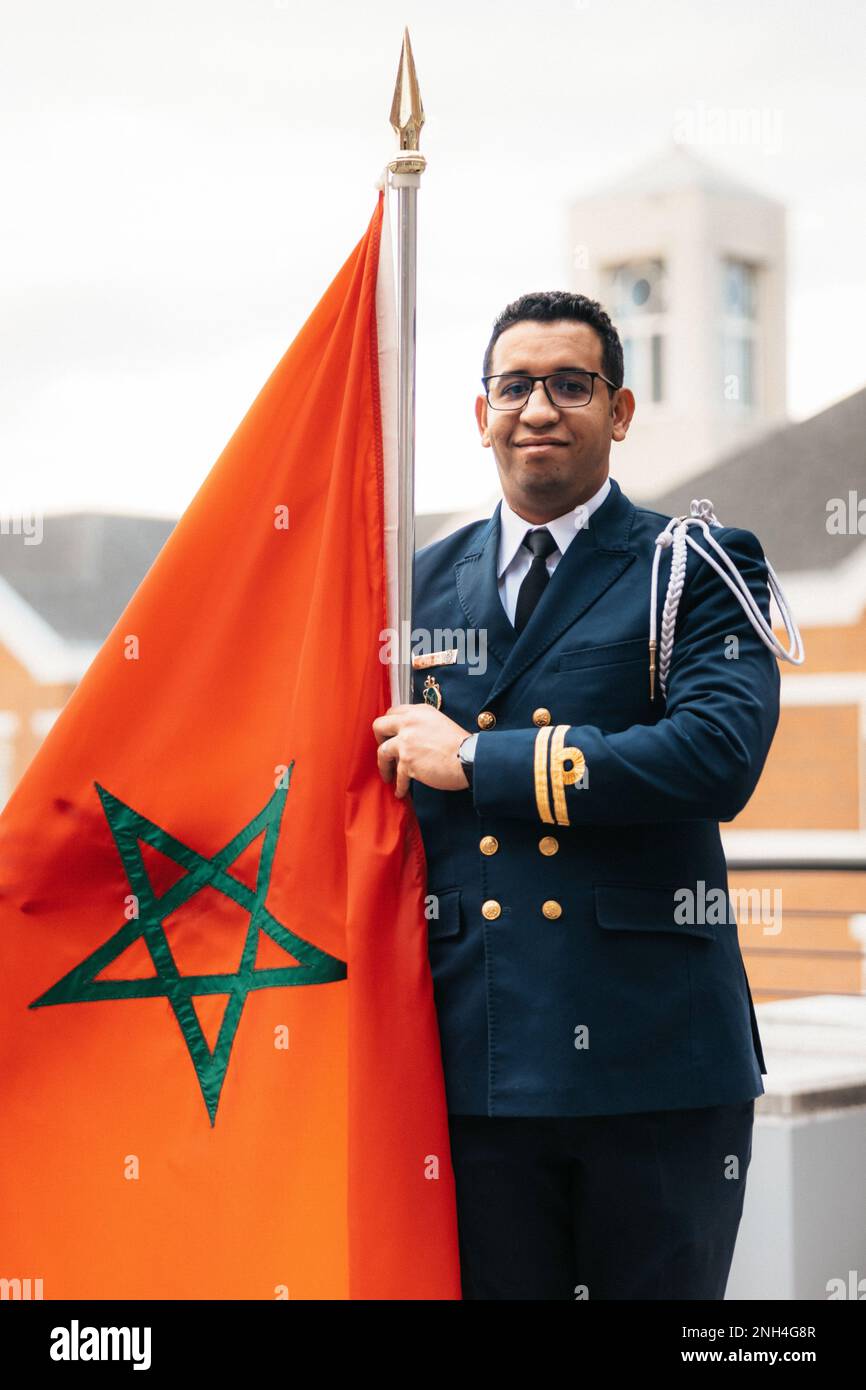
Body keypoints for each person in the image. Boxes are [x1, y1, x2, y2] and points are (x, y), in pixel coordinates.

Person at [372, 290, 779, 1301]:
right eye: (514, 386)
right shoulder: (404, 588)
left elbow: (714, 756)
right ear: (480, 415)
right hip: (475, 1061)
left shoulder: (695, 566)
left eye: (569, 383)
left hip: (653, 1061)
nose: (539, 408)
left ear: (620, 410)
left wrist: (480, 763)